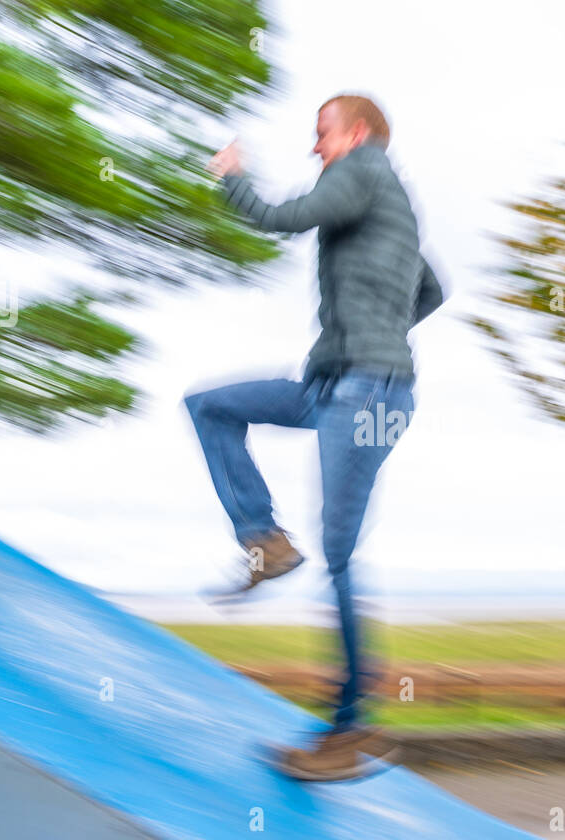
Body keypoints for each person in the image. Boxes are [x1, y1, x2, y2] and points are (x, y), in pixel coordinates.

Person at [187, 93, 445, 781]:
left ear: (357, 133)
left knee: (338, 552)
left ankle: (355, 726)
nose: (315, 147)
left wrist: (231, 176)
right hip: (335, 385)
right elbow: (433, 291)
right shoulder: (392, 207)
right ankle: (266, 542)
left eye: (321, 133)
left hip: (367, 393)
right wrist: (381, 328)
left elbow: (280, 218)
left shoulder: (361, 170)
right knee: (211, 407)